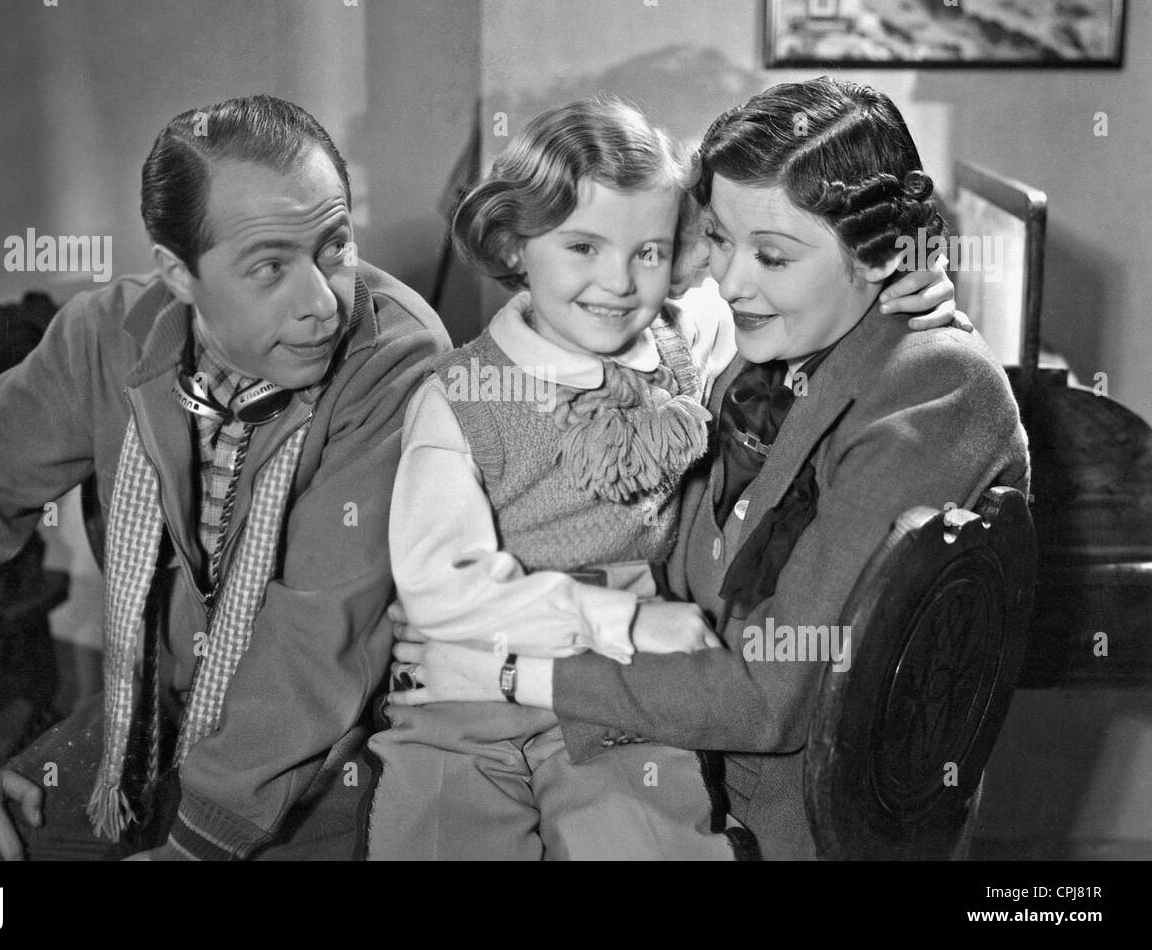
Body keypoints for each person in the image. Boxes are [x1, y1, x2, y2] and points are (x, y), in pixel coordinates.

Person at [385, 77, 1029, 860]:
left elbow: (774, 696)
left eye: (773, 255)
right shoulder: (757, 341)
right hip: (661, 726)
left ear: (879, 255)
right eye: (720, 240)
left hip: (792, 817)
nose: (728, 281)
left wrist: (515, 672)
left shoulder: (929, 386)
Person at [0, 95, 450, 860]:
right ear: (179, 273)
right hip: (143, 726)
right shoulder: (104, 339)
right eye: (271, 266)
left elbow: (320, 643)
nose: (321, 303)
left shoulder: (395, 360)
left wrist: (195, 846)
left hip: (332, 749)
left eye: (335, 246)